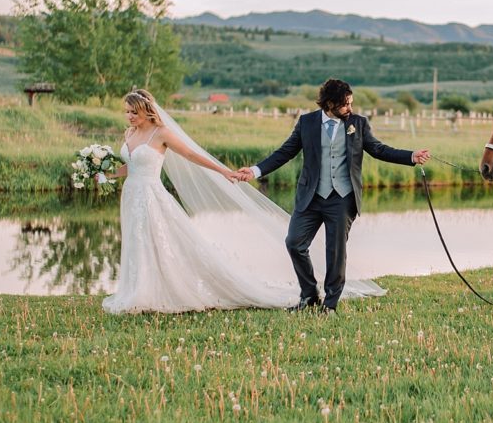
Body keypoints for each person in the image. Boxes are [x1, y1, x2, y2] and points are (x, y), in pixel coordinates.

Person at [101, 89, 386, 314]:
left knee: (162, 242)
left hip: (152, 197)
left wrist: (225, 171)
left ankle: (321, 298)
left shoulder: (160, 133)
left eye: (133, 112)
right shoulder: (129, 134)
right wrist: (103, 174)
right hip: (132, 196)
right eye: (126, 112)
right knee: (137, 243)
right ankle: (138, 290)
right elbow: (130, 165)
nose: (129, 116)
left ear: (147, 111)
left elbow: (190, 155)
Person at [237, 79, 430, 313]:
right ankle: (309, 295)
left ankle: (330, 304)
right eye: (345, 104)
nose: (350, 108)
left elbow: (379, 149)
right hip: (311, 196)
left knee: (335, 252)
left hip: (342, 198)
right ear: (329, 104)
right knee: (294, 243)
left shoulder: (358, 124)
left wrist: (411, 156)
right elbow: (285, 152)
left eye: (351, 103)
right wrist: (255, 170)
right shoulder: (306, 123)